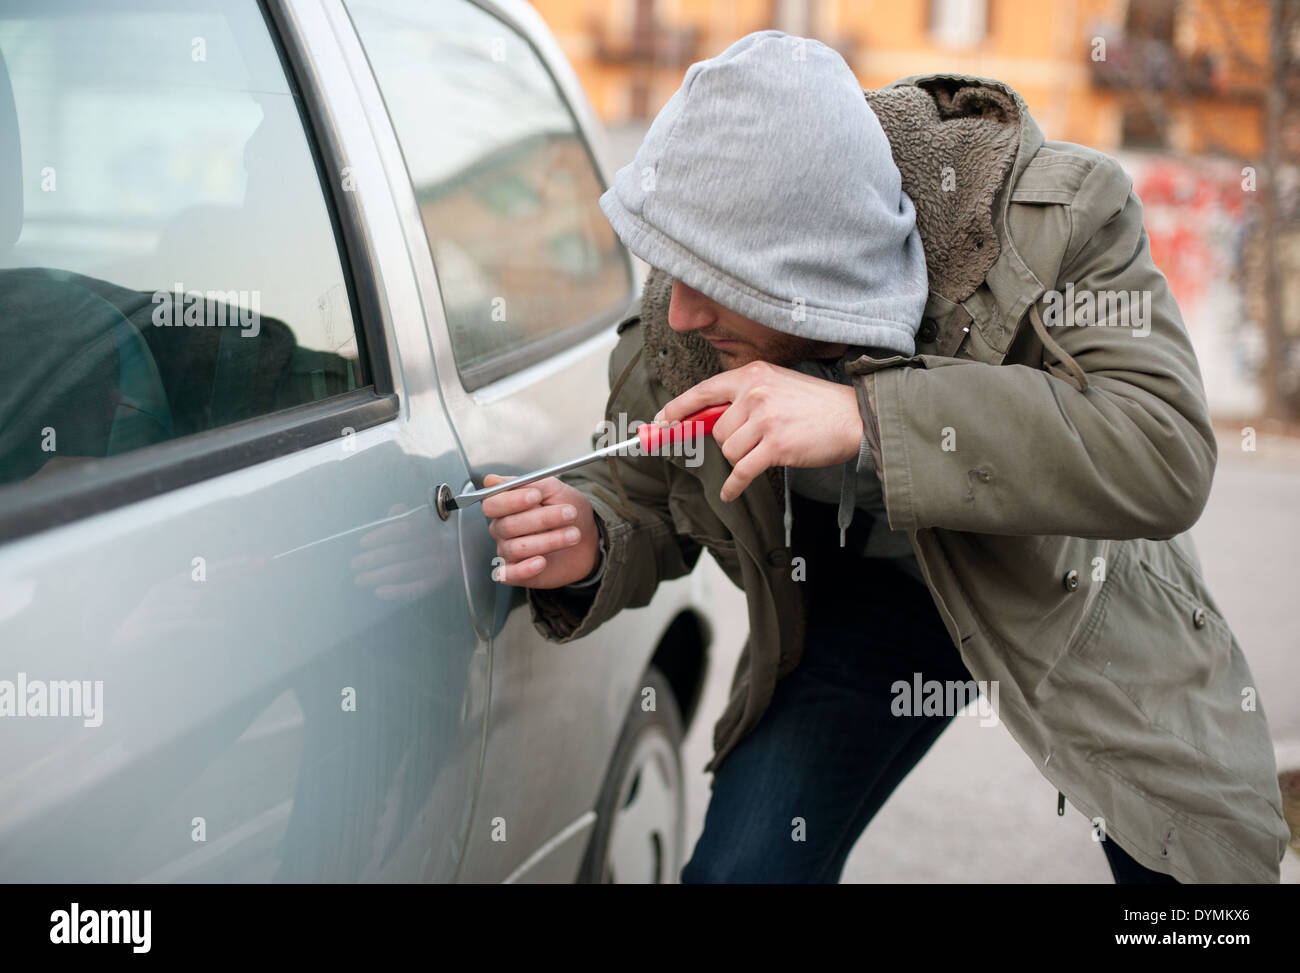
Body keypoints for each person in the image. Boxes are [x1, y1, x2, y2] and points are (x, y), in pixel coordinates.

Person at [481, 30, 1289, 883]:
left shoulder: (1056, 218)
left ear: (808, 267)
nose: (679, 314)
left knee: (1194, 896)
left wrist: (866, 417)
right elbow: (648, 486)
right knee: (745, 870)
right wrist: (592, 533)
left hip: (1068, 584)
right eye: (671, 267)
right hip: (873, 607)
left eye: (712, 280)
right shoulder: (686, 324)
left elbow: (1161, 445)